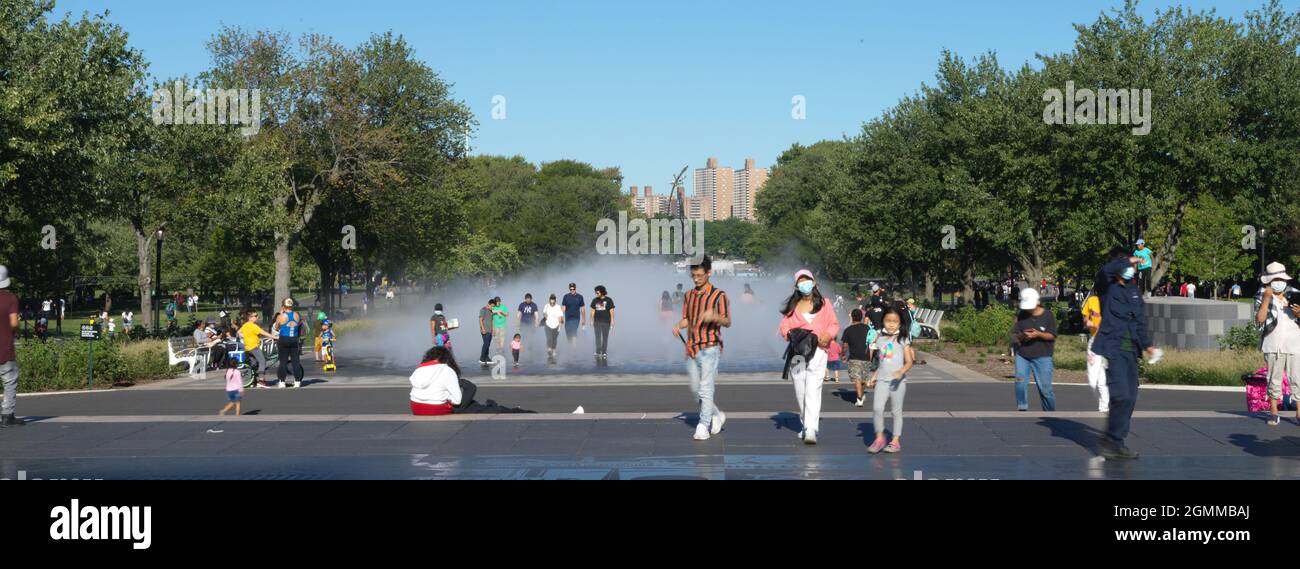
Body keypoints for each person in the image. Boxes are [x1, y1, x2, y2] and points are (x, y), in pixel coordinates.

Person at [1093, 251, 1159, 460]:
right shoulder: (1108, 287)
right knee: (1121, 394)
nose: (1133, 269)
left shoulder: (1133, 291)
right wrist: (1125, 261)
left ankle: (1116, 440)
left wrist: (1148, 346)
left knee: (1130, 397)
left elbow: (1139, 322)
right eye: (1129, 265)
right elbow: (1104, 271)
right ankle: (1112, 441)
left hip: (1132, 350)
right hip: (1114, 348)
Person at [778, 269, 840, 445]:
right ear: (796, 286)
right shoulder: (792, 306)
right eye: (801, 282)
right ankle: (805, 422)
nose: (805, 284)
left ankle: (811, 428)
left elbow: (834, 324)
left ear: (814, 283)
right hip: (797, 352)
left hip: (819, 351)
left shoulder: (825, 303)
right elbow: (783, 326)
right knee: (800, 389)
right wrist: (790, 333)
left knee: (813, 389)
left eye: (808, 281)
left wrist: (828, 334)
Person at [673, 255, 730, 441]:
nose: (696, 279)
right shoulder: (689, 295)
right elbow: (688, 318)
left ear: (709, 273)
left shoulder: (719, 295)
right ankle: (716, 414)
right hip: (691, 347)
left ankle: (702, 425)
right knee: (695, 389)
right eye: (693, 276)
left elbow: (727, 321)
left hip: (711, 346)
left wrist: (714, 316)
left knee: (705, 388)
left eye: (699, 275)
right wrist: (678, 325)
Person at [1255, 262, 1300, 426]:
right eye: (1275, 279)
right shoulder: (1261, 295)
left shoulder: (1295, 294)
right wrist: (1266, 299)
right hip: (1273, 342)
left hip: (1295, 342)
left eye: (1281, 278)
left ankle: (1299, 412)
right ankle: (1274, 412)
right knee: (1273, 378)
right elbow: (1259, 321)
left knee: (1297, 378)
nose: (1278, 282)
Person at [867, 307, 915, 454]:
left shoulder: (903, 339)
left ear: (900, 323)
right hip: (882, 380)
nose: (891, 324)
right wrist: (873, 377)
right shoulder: (881, 340)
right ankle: (879, 438)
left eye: (895, 321)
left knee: (896, 411)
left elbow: (909, 361)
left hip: (897, 382)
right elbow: (883, 362)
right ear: (883, 321)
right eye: (888, 321)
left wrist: (901, 371)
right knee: (877, 408)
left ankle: (895, 441)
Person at [1010, 288, 1058, 412]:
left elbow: (1052, 335)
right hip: (1023, 355)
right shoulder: (1021, 314)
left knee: (1045, 388)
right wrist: (1023, 335)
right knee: (1019, 383)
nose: (1028, 309)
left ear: (1037, 302)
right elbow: (1015, 335)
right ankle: (1022, 408)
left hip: (1043, 356)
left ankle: (1050, 412)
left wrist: (1038, 334)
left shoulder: (1048, 315)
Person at [1081, 292, 1109, 413]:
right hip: (1094, 341)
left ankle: (1105, 405)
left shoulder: (1112, 300)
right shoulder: (1092, 300)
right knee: (1094, 377)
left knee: (1106, 376)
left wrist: (1098, 326)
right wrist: (1087, 322)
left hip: (1109, 342)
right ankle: (1102, 406)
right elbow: (1085, 317)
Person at [841, 309, 874, 408]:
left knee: (857, 379)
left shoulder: (848, 330)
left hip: (854, 357)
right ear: (862, 317)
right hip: (866, 356)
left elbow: (845, 345)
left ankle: (860, 397)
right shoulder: (868, 328)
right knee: (862, 379)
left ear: (852, 317)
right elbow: (872, 342)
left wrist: (843, 354)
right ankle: (860, 397)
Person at [0, 267, 18, 428]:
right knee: (9, 380)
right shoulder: (10, 298)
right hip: (4, 347)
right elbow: (13, 322)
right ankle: (7, 415)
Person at [272, 299, 305, 388]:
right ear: (292, 306)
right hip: (294, 339)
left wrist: (280, 314)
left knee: (283, 361)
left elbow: (276, 327)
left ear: (283, 306)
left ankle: (282, 381)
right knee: (295, 361)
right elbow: (298, 325)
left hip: (284, 339)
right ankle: (297, 381)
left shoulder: (281, 316)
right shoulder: (297, 315)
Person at [239, 310, 275, 389]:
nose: (257, 317)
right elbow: (263, 332)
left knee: (254, 364)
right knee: (262, 361)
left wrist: (245, 336)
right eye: (255, 316)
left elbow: (239, 332)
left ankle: (253, 381)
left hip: (248, 347)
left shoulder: (245, 325)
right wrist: (275, 337)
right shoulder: (253, 326)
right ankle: (261, 381)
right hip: (254, 347)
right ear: (250, 317)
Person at [589, 285, 616, 359]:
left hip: (606, 322)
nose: (596, 294)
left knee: (605, 337)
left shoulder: (609, 300)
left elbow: (611, 310)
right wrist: (591, 320)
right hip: (597, 322)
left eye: (597, 293)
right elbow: (592, 311)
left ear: (602, 292)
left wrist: (613, 320)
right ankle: (598, 351)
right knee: (597, 337)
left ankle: (604, 352)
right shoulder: (595, 300)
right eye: (595, 293)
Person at [542, 294, 564, 362]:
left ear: (555, 301)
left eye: (553, 302)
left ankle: (554, 350)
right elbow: (544, 313)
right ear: (549, 300)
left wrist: (560, 326)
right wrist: (545, 315)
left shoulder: (558, 307)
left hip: (556, 325)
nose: (552, 303)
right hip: (548, 325)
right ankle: (549, 349)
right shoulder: (546, 305)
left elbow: (560, 317)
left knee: (554, 339)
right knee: (549, 338)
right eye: (551, 302)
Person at [478, 298, 495, 365]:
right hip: (485, 330)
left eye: (494, 306)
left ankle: (487, 358)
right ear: (488, 304)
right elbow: (480, 320)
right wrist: (483, 329)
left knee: (488, 345)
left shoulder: (491, 311)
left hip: (490, 330)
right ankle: (481, 359)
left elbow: (492, 321)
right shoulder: (483, 310)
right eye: (492, 306)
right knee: (486, 344)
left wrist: (493, 330)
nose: (493, 307)